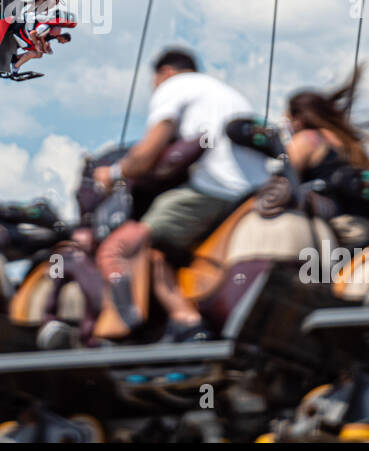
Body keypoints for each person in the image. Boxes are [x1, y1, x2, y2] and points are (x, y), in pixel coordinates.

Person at [92, 48, 269, 341]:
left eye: (154, 84)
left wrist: (113, 174)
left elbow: (149, 152)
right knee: (157, 250)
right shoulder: (223, 92)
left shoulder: (174, 87)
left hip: (216, 189)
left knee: (123, 245)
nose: (155, 90)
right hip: (253, 190)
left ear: (165, 73)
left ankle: (138, 328)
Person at [284, 68, 369, 245]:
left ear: (298, 120)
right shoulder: (350, 144)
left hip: (340, 230)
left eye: (288, 123)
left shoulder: (308, 139)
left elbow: (284, 179)